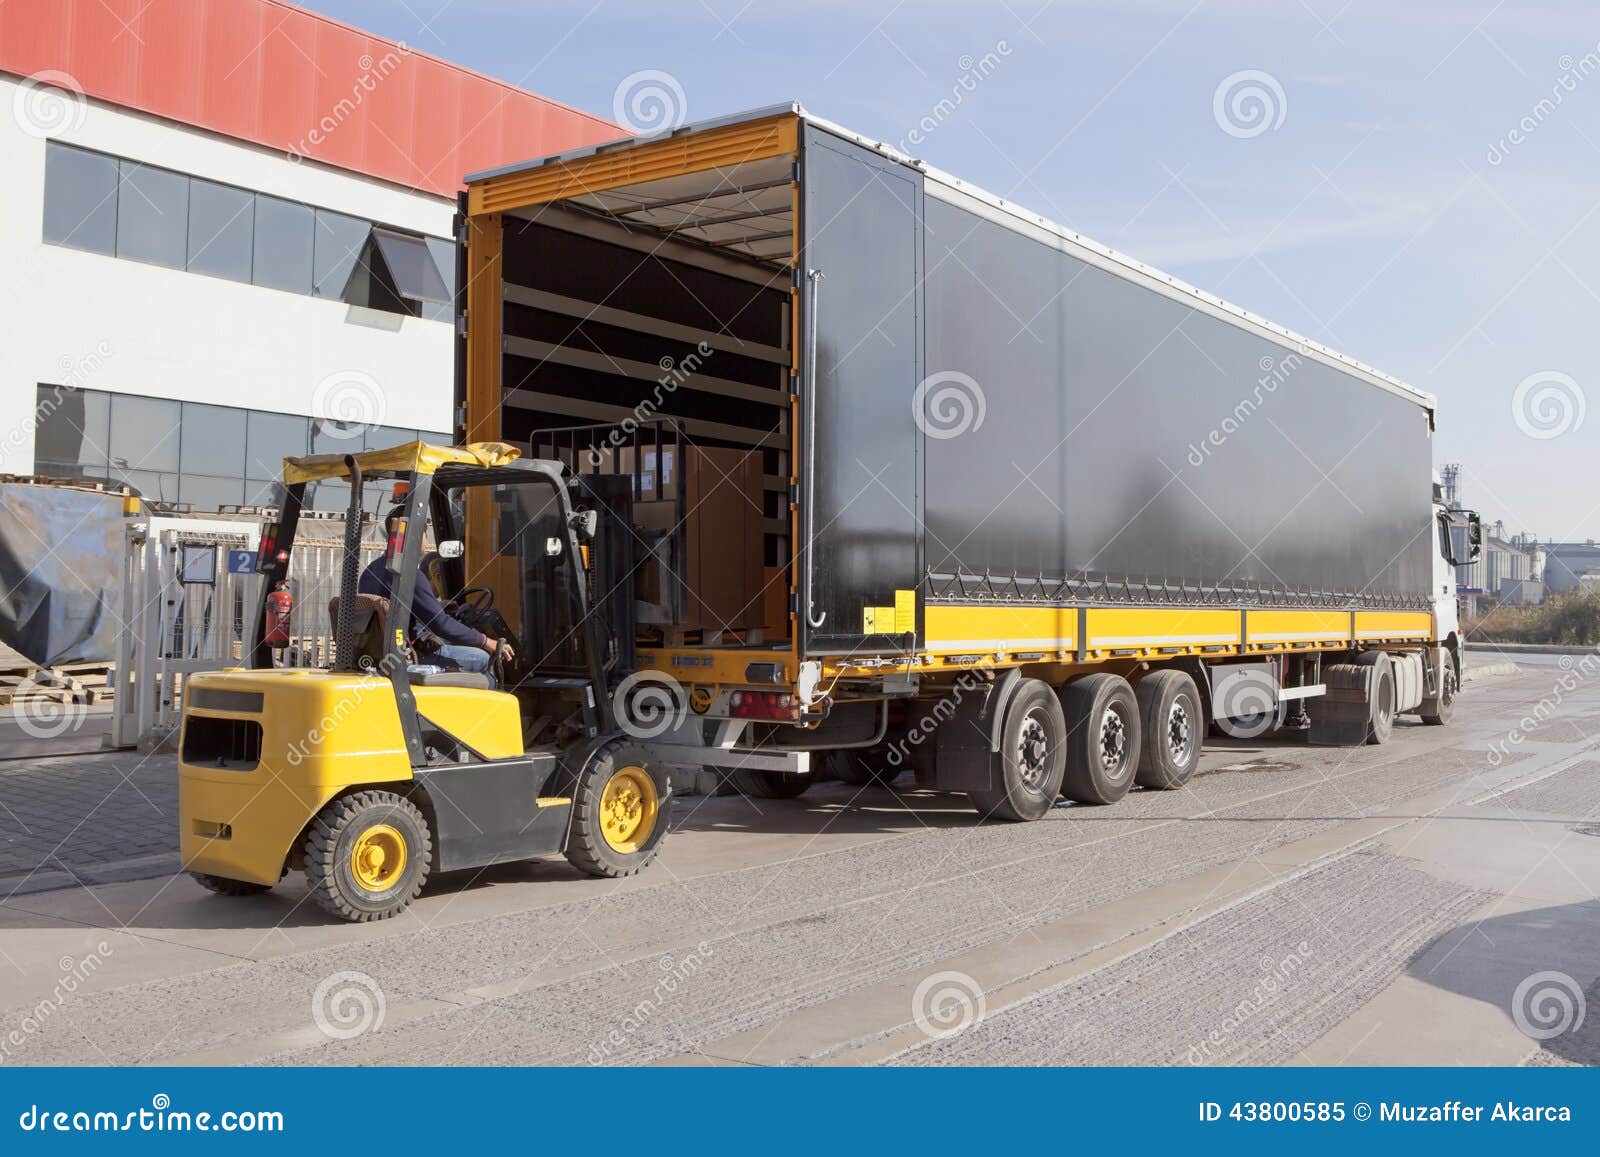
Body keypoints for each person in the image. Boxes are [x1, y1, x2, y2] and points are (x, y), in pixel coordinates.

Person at [358, 505, 515, 684]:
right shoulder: (409, 574)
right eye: (425, 531)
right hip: (414, 654)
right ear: (417, 533)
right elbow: (441, 625)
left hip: (381, 653)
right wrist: (486, 641)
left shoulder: (371, 571)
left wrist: (436, 605)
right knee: (483, 658)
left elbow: (402, 607)